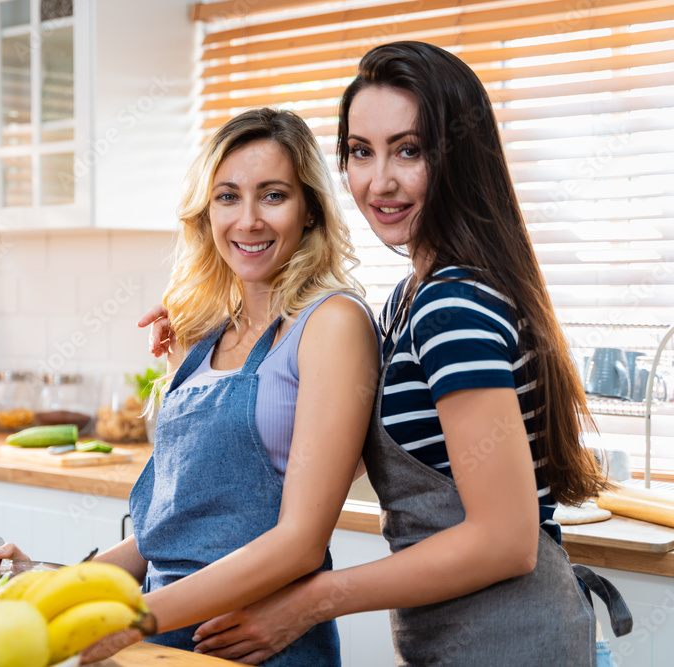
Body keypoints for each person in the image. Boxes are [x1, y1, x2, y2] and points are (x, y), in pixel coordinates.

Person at [145, 41, 632, 666]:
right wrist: (218, 336)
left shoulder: (451, 308)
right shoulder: (410, 300)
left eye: (409, 150)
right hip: (451, 638)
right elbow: (318, 451)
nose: (380, 181)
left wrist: (311, 600)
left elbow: (506, 540)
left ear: (457, 155)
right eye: (360, 152)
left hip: (510, 639)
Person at [0, 107, 380, 665]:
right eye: (227, 197)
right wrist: (51, 587)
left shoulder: (332, 323)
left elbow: (299, 544)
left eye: (273, 195)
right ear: (205, 212)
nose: (248, 220)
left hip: (258, 647)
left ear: (310, 211)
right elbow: (170, 538)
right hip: (164, 646)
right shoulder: (203, 336)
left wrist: (133, 620)